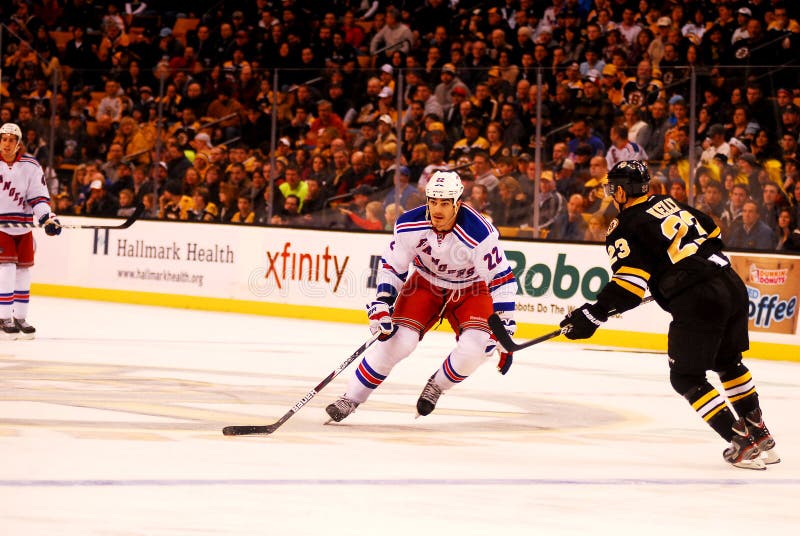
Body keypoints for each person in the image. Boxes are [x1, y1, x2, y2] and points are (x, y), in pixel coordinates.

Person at [559, 161, 779, 471]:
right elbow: (713, 230)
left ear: (621, 191)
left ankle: (741, 442)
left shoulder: (623, 226)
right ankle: (759, 432)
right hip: (730, 283)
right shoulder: (668, 202)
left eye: (613, 188)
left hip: (698, 298)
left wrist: (592, 314)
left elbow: (628, 287)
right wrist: (679, 268)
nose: (611, 193)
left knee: (686, 376)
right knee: (728, 362)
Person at [325, 170, 518, 422]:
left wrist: (504, 323)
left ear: (458, 203)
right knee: (397, 342)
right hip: (425, 284)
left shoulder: (480, 233)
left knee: (477, 348)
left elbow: (501, 278)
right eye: (433, 201)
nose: (437, 210)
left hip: (473, 288)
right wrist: (383, 302)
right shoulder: (408, 224)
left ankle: (437, 385)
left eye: (445, 203)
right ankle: (351, 397)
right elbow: (393, 265)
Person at [0, 123, 61, 339]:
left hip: (23, 227)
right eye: (3, 139)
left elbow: (38, 197)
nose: (7, 144)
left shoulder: (31, 166)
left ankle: (20, 317)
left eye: (11, 140)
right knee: (6, 269)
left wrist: (48, 218)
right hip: (1, 228)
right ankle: (3, 317)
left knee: (23, 272)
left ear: (19, 144)